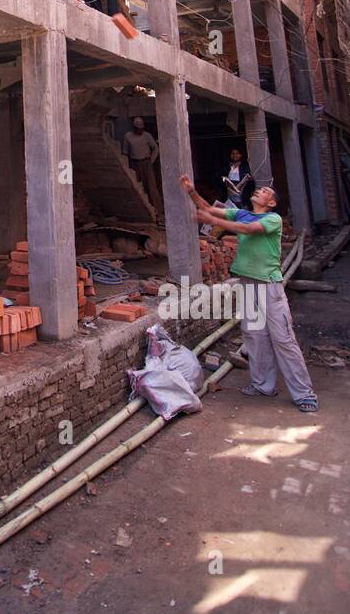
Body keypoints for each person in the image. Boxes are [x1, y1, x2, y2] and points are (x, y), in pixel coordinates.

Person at [180, 174, 318, 414]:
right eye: (260, 189)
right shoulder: (242, 212)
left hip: (268, 285)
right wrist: (191, 191)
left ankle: (304, 394)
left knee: (283, 339)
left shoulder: (272, 219)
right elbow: (206, 208)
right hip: (248, 283)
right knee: (254, 335)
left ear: (272, 203)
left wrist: (212, 219)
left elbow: (246, 229)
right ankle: (263, 385)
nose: (259, 191)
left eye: (265, 191)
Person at [123, 116, 162, 212]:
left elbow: (155, 148)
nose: (140, 130)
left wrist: (151, 160)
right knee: (137, 186)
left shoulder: (147, 136)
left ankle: (158, 208)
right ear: (134, 127)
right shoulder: (128, 136)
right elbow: (125, 152)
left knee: (151, 186)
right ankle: (143, 208)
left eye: (141, 128)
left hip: (146, 163)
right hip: (134, 163)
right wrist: (127, 165)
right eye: (138, 128)